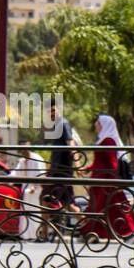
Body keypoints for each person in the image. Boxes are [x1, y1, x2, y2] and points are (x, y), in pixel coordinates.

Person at [82, 115, 134, 240]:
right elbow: (100, 162)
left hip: (106, 182)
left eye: (98, 123)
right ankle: (95, 233)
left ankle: (130, 232)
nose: (96, 126)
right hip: (100, 181)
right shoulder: (103, 140)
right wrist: (88, 168)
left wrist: (114, 180)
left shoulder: (108, 141)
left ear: (104, 124)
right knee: (100, 207)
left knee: (115, 207)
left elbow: (112, 162)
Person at [42, 101, 75, 239]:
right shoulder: (57, 126)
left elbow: (70, 142)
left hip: (62, 173)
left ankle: (44, 233)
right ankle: (45, 232)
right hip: (56, 172)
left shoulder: (63, 124)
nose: (51, 114)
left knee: (48, 200)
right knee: (65, 203)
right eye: (49, 112)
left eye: (53, 111)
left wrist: (77, 162)